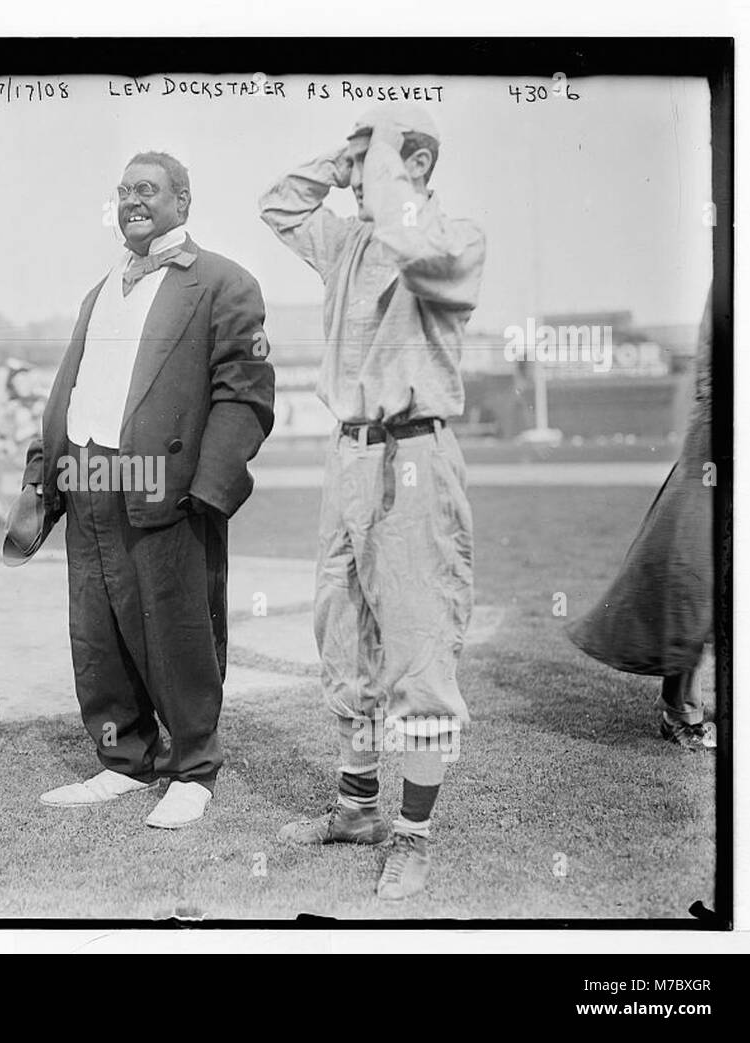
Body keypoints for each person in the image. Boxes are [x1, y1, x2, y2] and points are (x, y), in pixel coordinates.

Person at [259, 104, 486, 898]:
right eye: (354, 166)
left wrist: (384, 162)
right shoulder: (349, 240)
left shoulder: (452, 238)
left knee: (419, 648)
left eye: (371, 164)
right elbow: (279, 206)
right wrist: (344, 155)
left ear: (416, 165)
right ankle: (357, 807)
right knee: (342, 635)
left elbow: (413, 239)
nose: (354, 178)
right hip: (346, 454)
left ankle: (413, 833)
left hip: (415, 453)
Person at [21, 151, 275, 829]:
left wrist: (208, 489)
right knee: (96, 624)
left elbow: (244, 395)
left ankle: (193, 768)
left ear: (182, 203)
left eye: (149, 190)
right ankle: (123, 757)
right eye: (124, 191)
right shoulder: (100, 287)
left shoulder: (224, 282)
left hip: (165, 480)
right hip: (89, 473)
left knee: (176, 625)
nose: (133, 201)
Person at [567, 294, 716, 751]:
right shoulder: (731, 273)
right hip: (719, 438)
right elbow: (713, 377)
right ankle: (680, 710)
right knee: (697, 575)